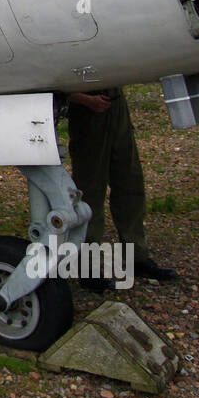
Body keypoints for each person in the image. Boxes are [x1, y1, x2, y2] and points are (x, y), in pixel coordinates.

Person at [66, 87, 177, 290]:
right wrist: (85, 100)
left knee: (130, 184)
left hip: (117, 107)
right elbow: (55, 84)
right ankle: (86, 268)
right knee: (89, 194)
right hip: (88, 114)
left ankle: (137, 257)